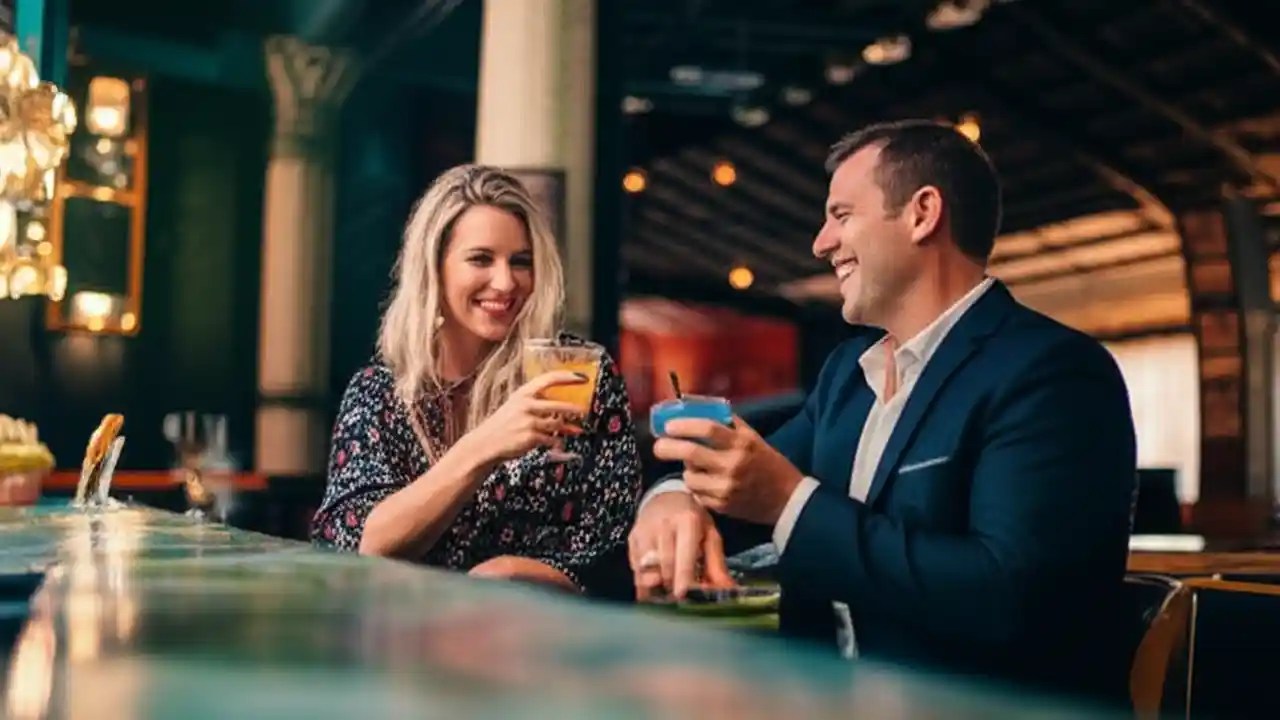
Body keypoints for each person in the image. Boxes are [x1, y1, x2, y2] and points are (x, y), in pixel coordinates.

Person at [628, 120, 1137, 698]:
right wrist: (672, 499)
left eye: (841, 215)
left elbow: (1010, 598)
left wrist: (789, 502)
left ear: (923, 214)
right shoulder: (849, 375)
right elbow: (745, 477)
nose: (821, 243)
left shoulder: (1053, 372)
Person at [312, 164, 641, 595]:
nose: (506, 282)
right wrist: (485, 446)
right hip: (406, 642)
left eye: (521, 262)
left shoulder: (577, 373)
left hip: (549, 641)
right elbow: (357, 542)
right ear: (435, 268)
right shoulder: (380, 392)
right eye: (481, 259)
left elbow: (614, 547)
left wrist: (518, 575)